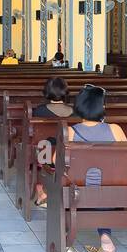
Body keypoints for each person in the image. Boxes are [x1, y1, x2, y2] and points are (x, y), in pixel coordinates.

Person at [65, 84, 127, 252]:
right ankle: (105, 238)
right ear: (102, 107)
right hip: (110, 192)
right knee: (104, 186)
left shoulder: (71, 131)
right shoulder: (115, 129)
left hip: (78, 192)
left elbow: (55, 161)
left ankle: (66, 240)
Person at [31, 78, 71, 206]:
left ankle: (41, 190)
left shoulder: (39, 111)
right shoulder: (75, 112)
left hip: (45, 155)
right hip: (68, 156)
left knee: (40, 151)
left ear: (47, 91)